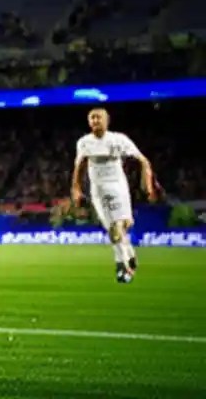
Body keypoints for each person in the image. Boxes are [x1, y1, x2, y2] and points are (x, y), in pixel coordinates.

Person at [71, 107, 159, 283]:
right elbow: (79, 166)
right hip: (98, 189)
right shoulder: (84, 142)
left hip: (118, 186)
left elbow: (142, 160)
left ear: (107, 120)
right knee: (112, 228)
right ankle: (122, 265)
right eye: (92, 118)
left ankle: (129, 254)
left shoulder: (118, 139)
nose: (95, 121)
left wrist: (148, 184)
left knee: (124, 224)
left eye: (99, 117)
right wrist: (76, 188)